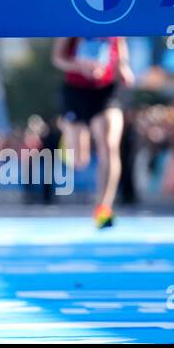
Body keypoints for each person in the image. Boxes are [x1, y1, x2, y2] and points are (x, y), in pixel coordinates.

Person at [53, 36, 134, 229]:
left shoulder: (114, 20)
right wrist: (79, 66)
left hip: (106, 91)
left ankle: (103, 207)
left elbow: (120, 47)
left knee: (109, 146)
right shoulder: (73, 19)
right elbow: (57, 58)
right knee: (79, 160)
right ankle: (68, 132)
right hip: (76, 90)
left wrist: (123, 67)